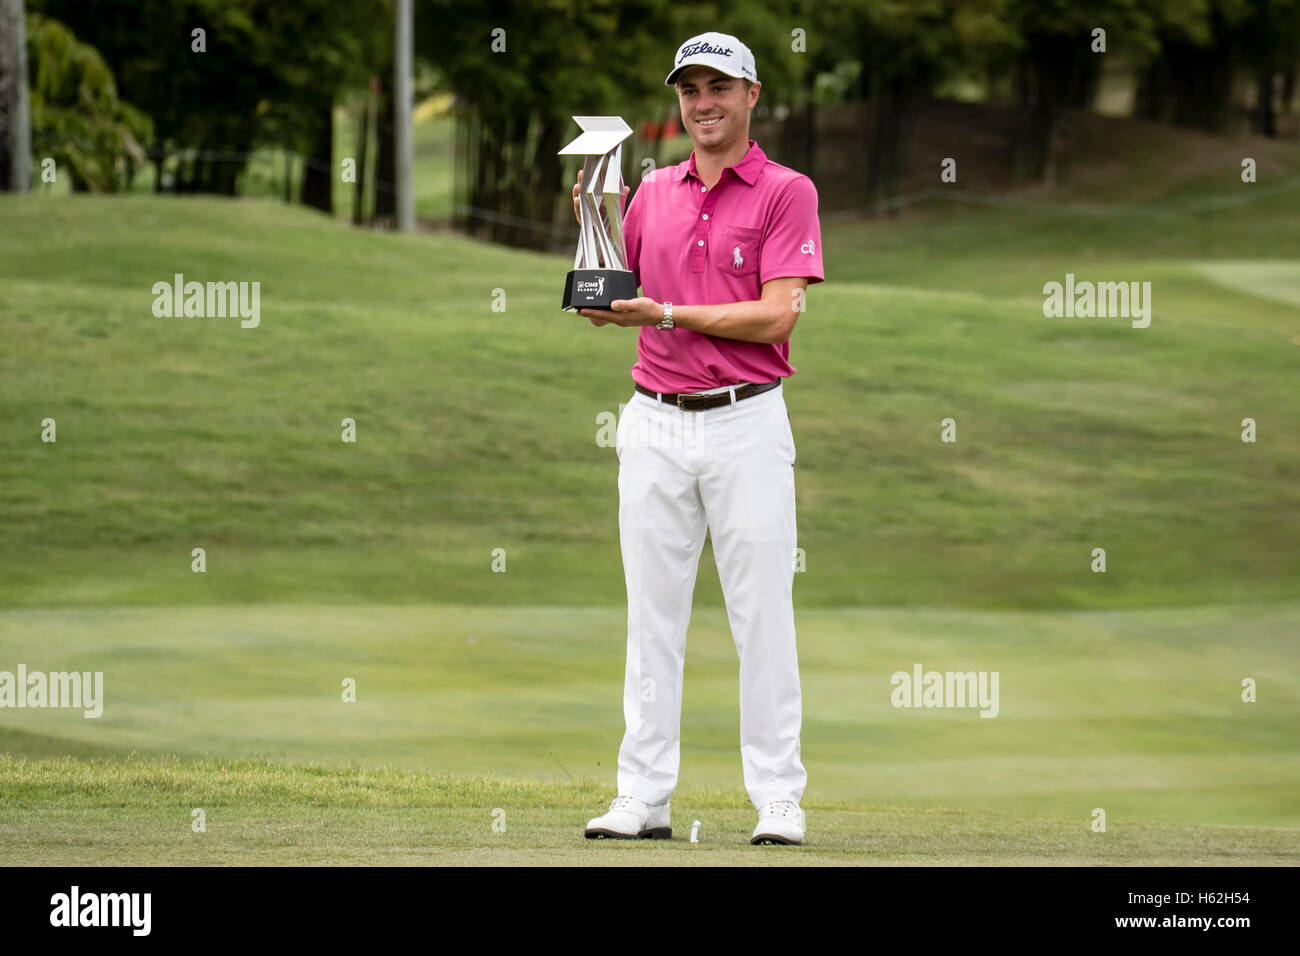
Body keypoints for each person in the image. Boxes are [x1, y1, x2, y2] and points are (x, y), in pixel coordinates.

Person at [574, 31, 825, 845]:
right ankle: (642, 796)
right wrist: (594, 249)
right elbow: (613, 301)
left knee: (763, 616)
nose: (703, 103)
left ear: (753, 95)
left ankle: (778, 798)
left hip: (747, 421)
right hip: (651, 421)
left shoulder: (788, 191)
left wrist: (670, 312)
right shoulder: (649, 192)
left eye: (720, 86)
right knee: (652, 618)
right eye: (690, 89)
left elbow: (778, 313)